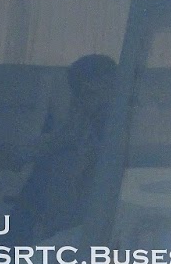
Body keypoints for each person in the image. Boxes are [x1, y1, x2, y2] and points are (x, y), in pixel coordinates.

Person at [11, 54, 119, 240]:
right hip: (59, 240)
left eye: (94, 94)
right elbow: (15, 154)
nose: (90, 104)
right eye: (82, 95)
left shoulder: (141, 142)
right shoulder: (74, 132)